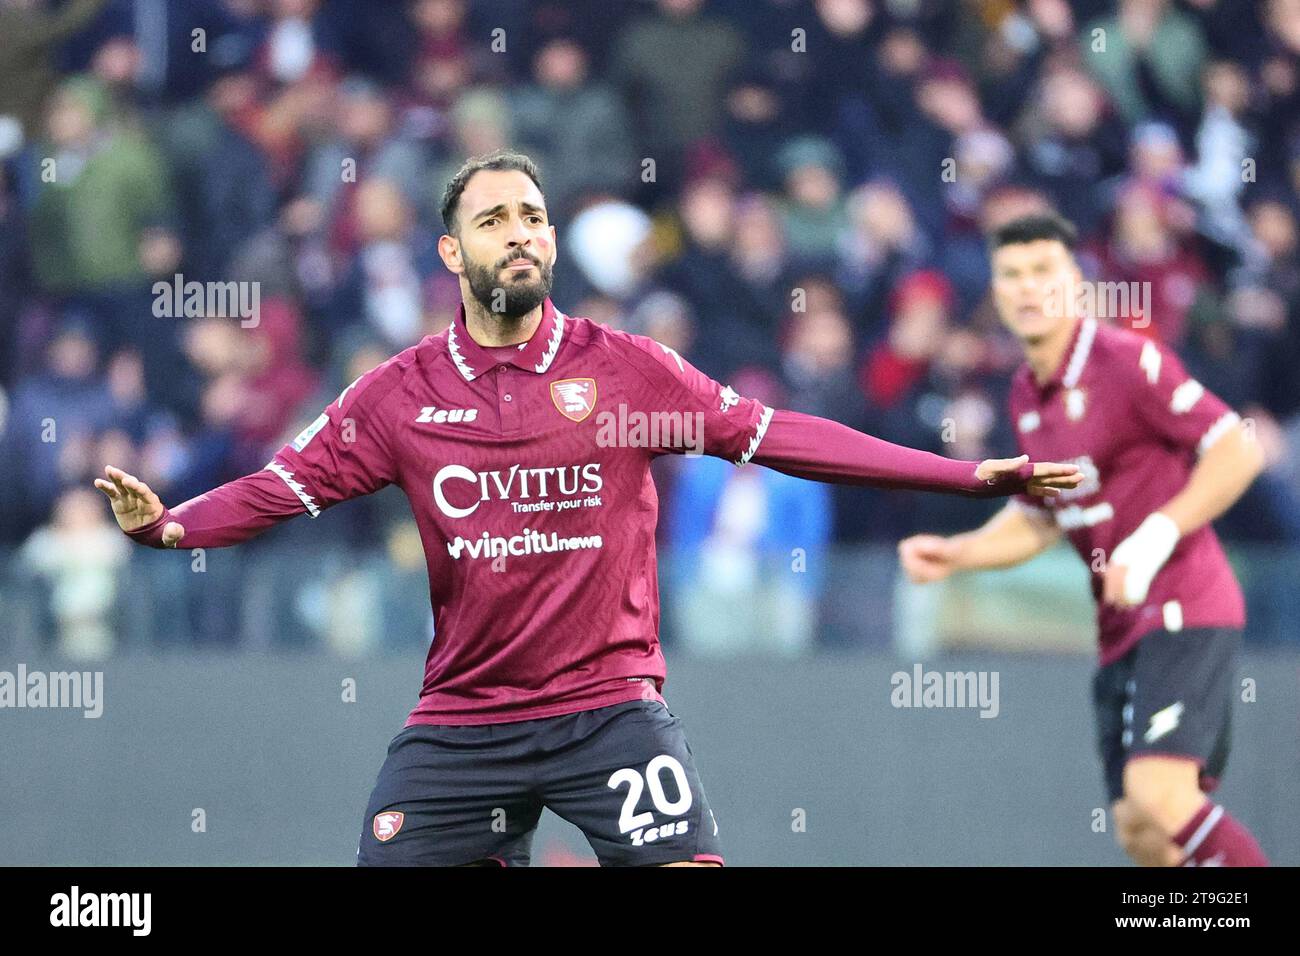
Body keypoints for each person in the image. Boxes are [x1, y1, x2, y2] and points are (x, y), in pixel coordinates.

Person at [96, 151, 1079, 867]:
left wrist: (964, 477)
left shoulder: (627, 370)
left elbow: (783, 435)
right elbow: (281, 486)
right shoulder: (397, 393)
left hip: (606, 713)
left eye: (533, 215)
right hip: (462, 720)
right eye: (493, 220)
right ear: (451, 250)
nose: (520, 232)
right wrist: (172, 525)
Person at [898, 212, 1269, 867]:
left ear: (1075, 282)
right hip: (1119, 629)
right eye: (1012, 274)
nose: (1028, 286)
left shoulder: (1126, 361)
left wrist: (1153, 537)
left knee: (1161, 797)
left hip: (1185, 604)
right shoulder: (1024, 393)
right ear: (997, 290)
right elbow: (1043, 516)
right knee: (1139, 831)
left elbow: (1238, 448)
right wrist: (958, 554)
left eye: (1044, 270)